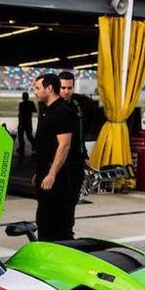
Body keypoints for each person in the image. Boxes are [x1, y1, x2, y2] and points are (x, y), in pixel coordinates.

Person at [32, 73, 79, 242]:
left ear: (49, 88)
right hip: (45, 170)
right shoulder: (46, 110)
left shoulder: (62, 111)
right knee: (43, 219)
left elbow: (64, 145)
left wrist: (51, 173)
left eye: (38, 88)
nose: (35, 92)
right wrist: (41, 172)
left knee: (58, 223)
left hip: (58, 176)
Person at [57, 70, 89, 235]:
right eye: (63, 88)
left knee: (72, 199)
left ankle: (68, 231)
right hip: (59, 161)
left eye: (69, 88)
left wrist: (84, 155)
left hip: (76, 160)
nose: (66, 91)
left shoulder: (77, 105)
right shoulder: (52, 106)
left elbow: (80, 133)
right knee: (58, 201)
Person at [16, 91, 35, 156]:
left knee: (21, 137)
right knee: (29, 136)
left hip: (22, 123)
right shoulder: (31, 103)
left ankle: (22, 148)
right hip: (28, 122)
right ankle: (35, 147)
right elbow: (35, 110)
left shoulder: (21, 104)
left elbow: (20, 114)